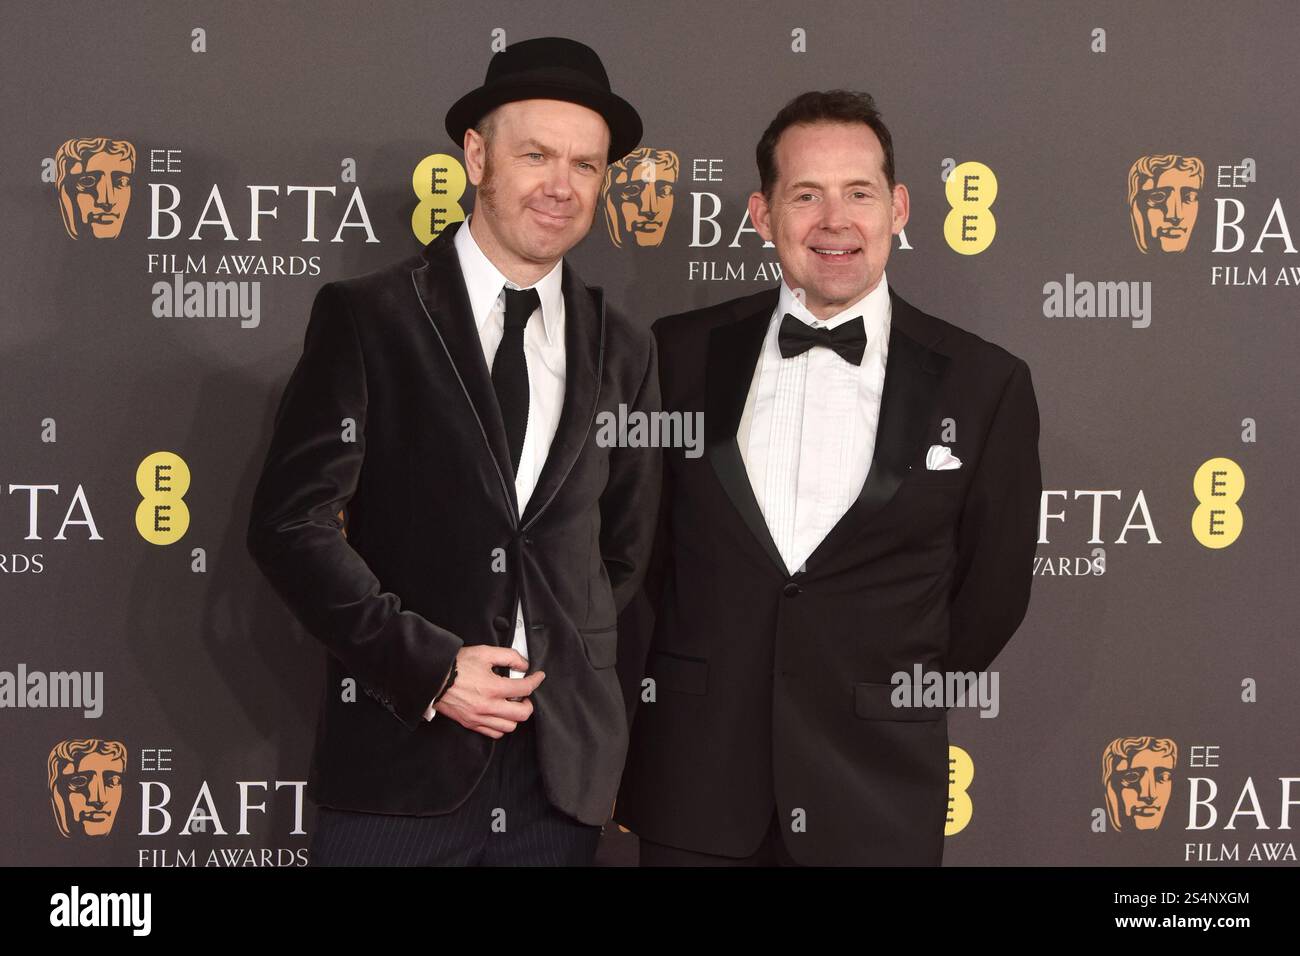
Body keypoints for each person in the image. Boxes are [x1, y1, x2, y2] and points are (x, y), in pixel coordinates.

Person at [246, 36, 660, 866]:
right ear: (477, 156)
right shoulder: (370, 318)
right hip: (401, 767)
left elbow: (621, 551)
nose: (560, 185)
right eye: (536, 154)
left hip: (557, 780)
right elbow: (292, 526)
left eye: (586, 165)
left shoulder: (624, 347)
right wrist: (433, 667)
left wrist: (559, 668)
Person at [614, 89, 1042, 866]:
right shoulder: (674, 354)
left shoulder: (986, 383)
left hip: (876, 792)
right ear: (762, 213)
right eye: (805, 195)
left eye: (859, 193)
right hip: (697, 783)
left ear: (899, 207)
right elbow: (638, 557)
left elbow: (994, 589)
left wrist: (886, 700)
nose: (834, 220)